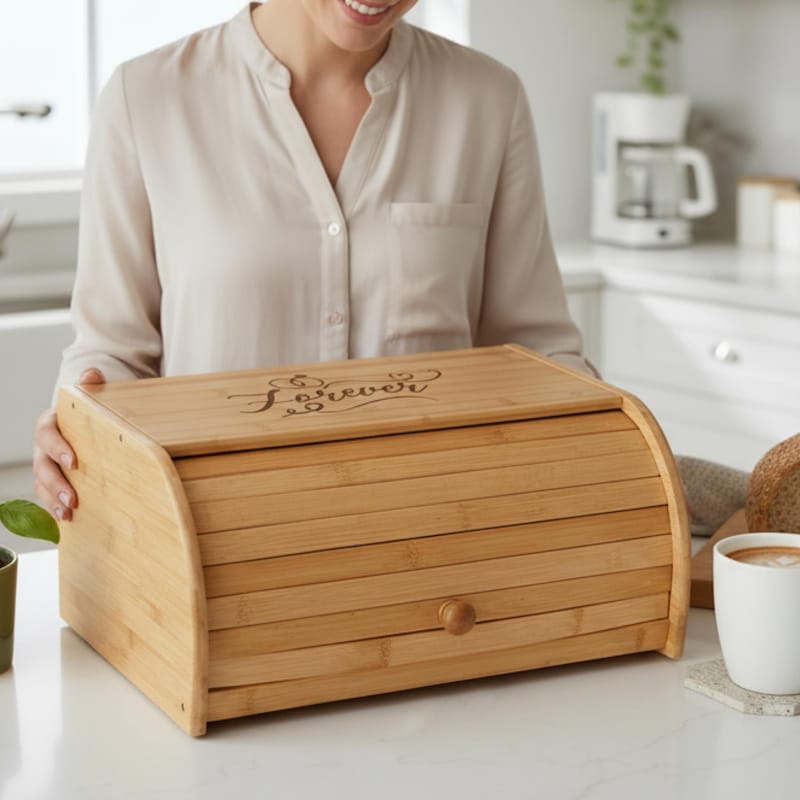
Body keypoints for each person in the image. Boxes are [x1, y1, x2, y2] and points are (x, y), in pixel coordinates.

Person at [33, 0, 595, 523]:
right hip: (215, 540)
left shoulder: (488, 99)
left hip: (433, 539)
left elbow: (535, 354)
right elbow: (112, 350)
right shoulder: (148, 97)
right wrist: (79, 429)